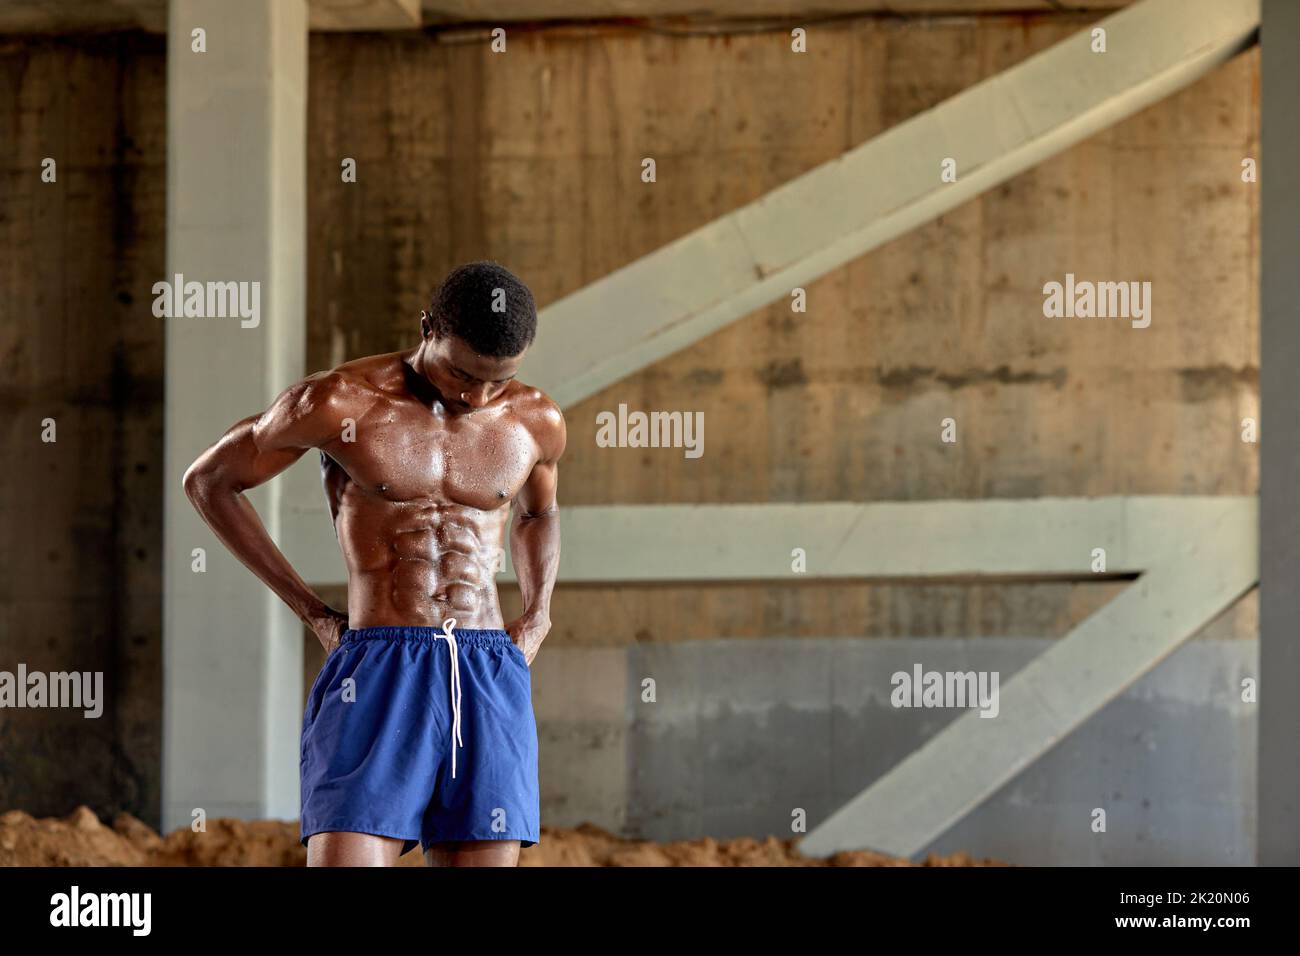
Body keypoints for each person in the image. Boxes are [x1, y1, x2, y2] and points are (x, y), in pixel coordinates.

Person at [183, 261, 565, 867]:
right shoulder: (338, 401)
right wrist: (311, 610)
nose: (477, 396)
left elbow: (537, 515)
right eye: (463, 373)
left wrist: (539, 613)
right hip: (382, 660)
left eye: (498, 380)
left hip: (488, 668)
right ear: (427, 328)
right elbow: (210, 482)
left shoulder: (534, 420)